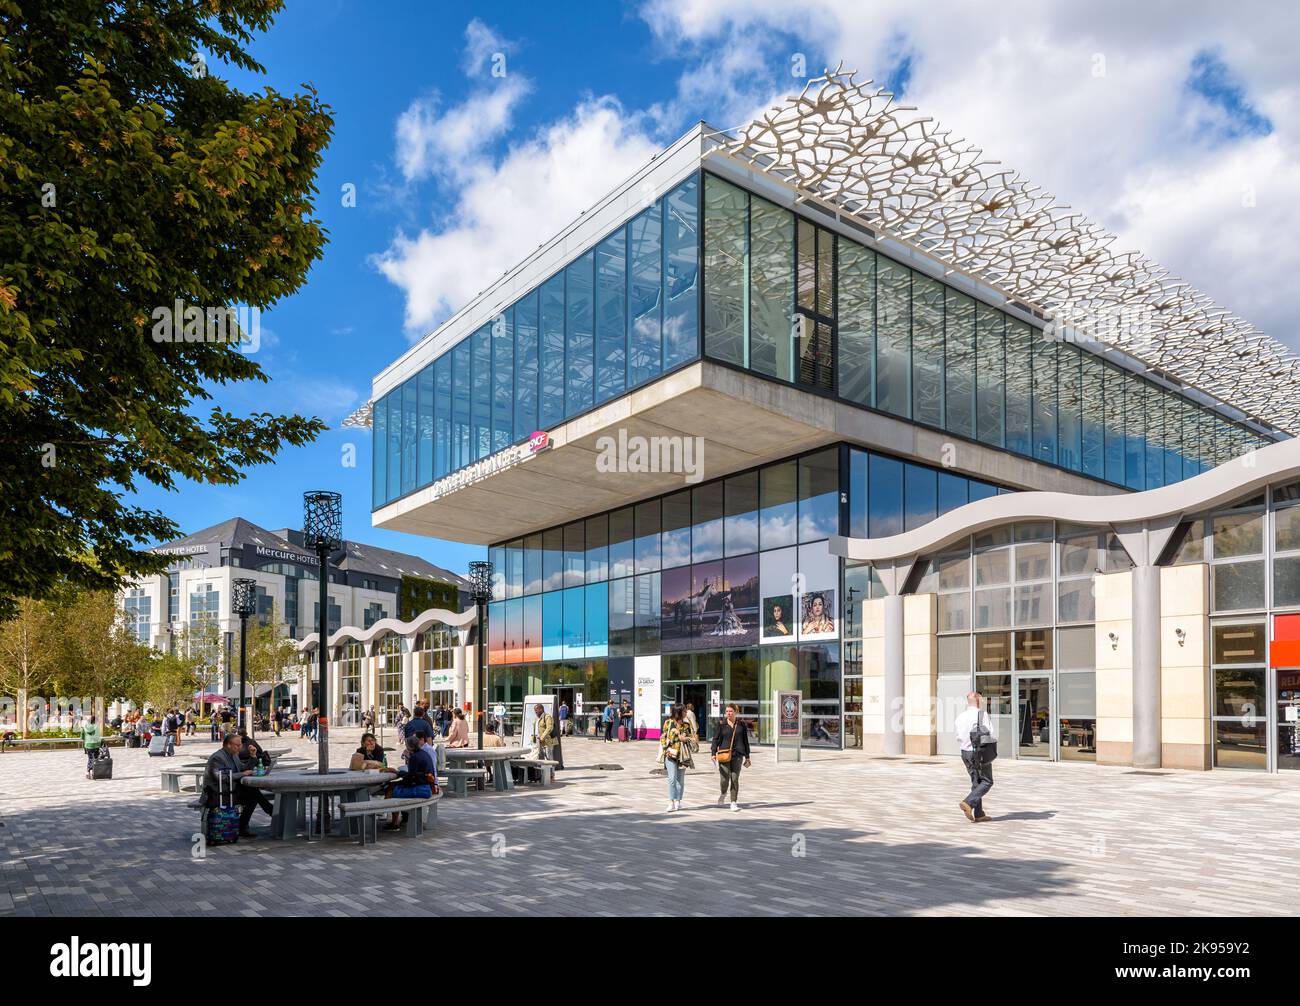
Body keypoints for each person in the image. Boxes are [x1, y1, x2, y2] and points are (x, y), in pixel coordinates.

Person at [203, 732, 273, 839]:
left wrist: (253, 756)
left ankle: (247, 823)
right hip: (216, 793)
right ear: (228, 745)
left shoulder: (233, 755)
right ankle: (266, 813)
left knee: (252, 793)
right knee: (253, 794)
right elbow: (221, 777)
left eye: (240, 745)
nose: (240, 747)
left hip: (229, 791)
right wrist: (242, 774)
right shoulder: (217, 758)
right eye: (237, 745)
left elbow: (243, 769)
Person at [954, 691, 997, 823]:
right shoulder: (982, 714)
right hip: (979, 753)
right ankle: (968, 802)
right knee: (987, 781)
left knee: (976, 782)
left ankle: (979, 814)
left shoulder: (960, 717)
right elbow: (992, 733)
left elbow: (958, 737)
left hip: (965, 753)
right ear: (978, 701)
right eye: (982, 700)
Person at [385, 735, 435, 831]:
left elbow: (410, 779)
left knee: (390, 791)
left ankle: (394, 823)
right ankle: (400, 818)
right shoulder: (424, 753)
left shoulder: (414, 758)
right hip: (427, 785)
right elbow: (414, 775)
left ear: (410, 747)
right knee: (393, 786)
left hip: (421, 789)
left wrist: (398, 774)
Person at [711, 703, 752, 812]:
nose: (728, 713)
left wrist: (747, 756)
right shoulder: (721, 724)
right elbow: (716, 739)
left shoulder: (741, 725)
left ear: (735, 712)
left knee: (734, 778)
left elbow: (745, 741)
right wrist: (713, 753)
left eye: (731, 711)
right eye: (727, 711)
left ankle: (733, 802)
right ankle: (723, 793)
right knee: (724, 779)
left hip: (738, 754)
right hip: (724, 754)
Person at [660, 704, 696, 812]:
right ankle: (671, 801)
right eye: (684, 711)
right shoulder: (668, 723)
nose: (686, 713)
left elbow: (691, 738)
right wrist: (665, 748)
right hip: (670, 755)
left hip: (682, 756)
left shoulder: (686, 724)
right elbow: (662, 736)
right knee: (671, 779)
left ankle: (678, 801)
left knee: (680, 780)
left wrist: (683, 738)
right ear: (678, 712)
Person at [80, 713, 103, 778]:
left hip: (88, 745)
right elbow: (98, 736)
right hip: (96, 744)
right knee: (95, 758)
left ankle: (88, 771)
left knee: (90, 758)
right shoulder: (97, 726)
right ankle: (93, 771)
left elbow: (82, 737)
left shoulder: (84, 727)